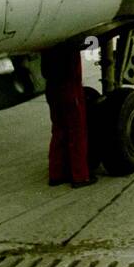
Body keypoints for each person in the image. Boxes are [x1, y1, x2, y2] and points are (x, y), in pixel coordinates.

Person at [40, 45, 95, 188]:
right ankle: (80, 176)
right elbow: (88, 43)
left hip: (52, 88)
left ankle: (56, 174)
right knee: (77, 132)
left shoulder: (48, 42)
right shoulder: (69, 40)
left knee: (58, 130)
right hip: (69, 89)